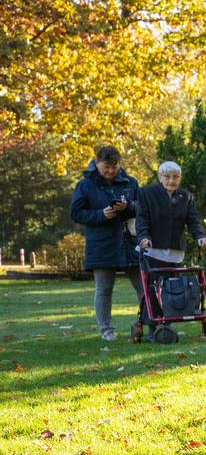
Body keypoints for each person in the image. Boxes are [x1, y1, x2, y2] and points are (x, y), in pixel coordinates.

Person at [69, 145, 142, 342]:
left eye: (114, 167)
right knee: (104, 289)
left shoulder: (131, 182)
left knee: (143, 286)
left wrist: (128, 207)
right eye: (106, 167)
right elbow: (76, 213)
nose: (110, 171)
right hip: (101, 244)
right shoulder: (85, 185)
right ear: (96, 162)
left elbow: (142, 208)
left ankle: (150, 323)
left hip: (129, 243)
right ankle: (106, 330)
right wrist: (100, 214)